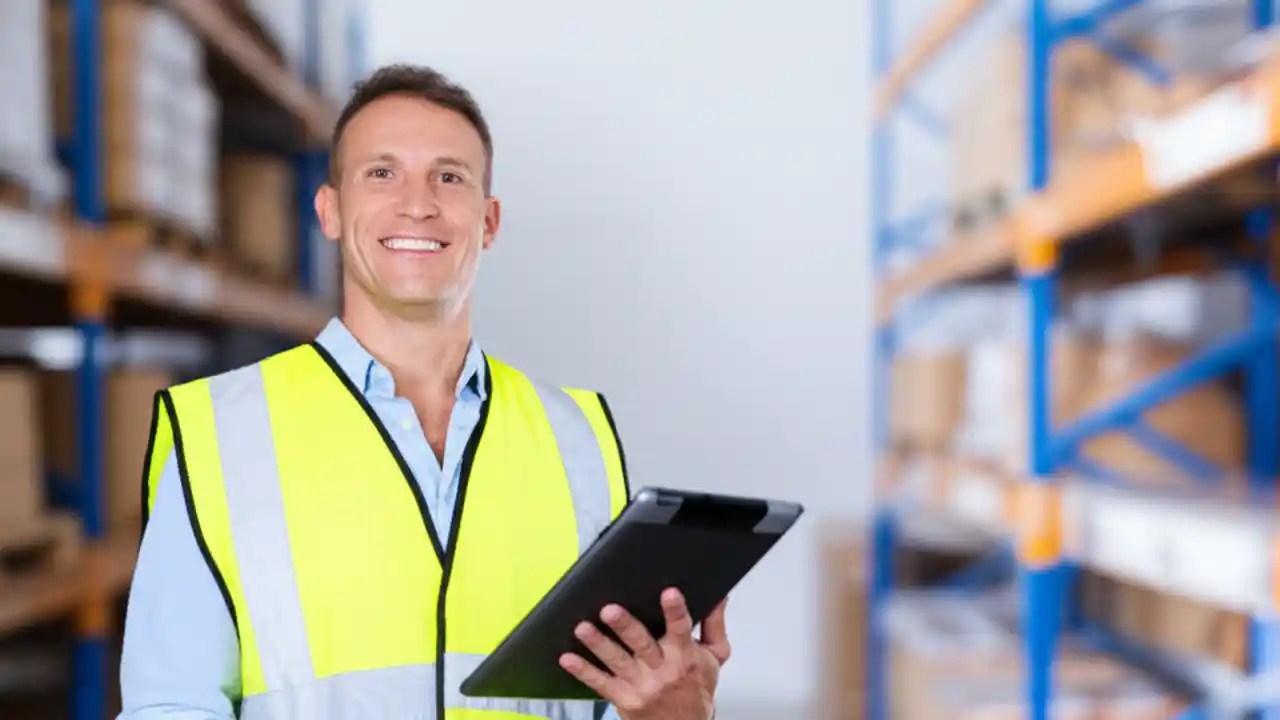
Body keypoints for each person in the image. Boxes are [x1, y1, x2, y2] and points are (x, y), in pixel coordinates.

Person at [117, 64, 730, 720]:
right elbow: (171, 706)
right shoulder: (221, 433)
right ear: (329, 211)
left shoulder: (577, 435)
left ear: (488, 221)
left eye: (450, 176)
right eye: (382, 173)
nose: (418, 202)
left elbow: (605, 696)